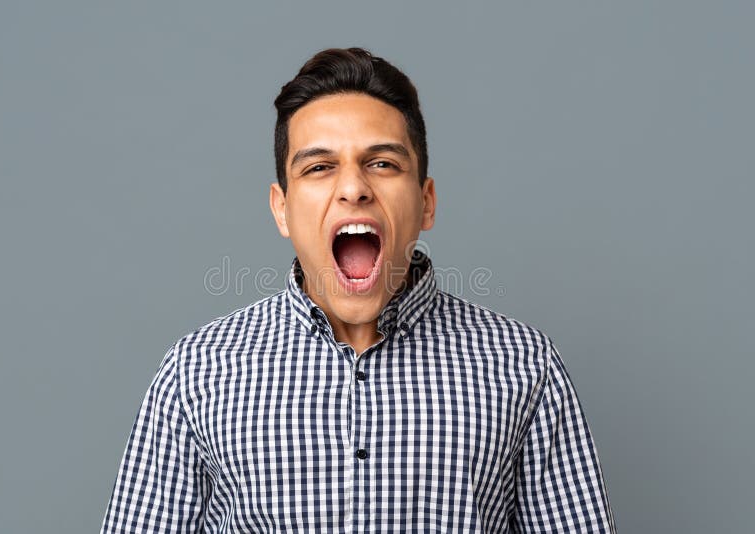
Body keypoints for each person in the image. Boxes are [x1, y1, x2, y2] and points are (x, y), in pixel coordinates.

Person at [101, 47, 616, 533]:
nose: (353, 188)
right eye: (320, 167)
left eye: (383, 163)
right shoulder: (196, 374)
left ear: (427, 201)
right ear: (282, 209)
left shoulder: (525, 366)